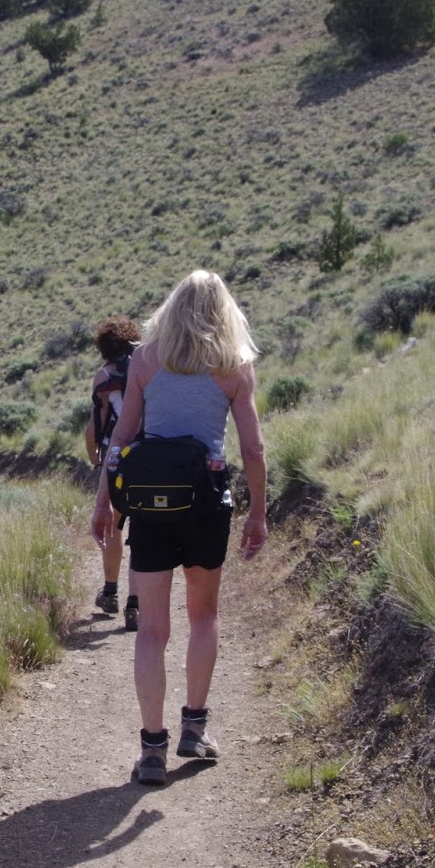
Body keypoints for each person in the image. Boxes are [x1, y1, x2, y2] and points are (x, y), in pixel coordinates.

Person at [89, 270, 267, 786]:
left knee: (151, 630)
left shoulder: (146, 359)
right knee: (204, 615)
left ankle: (151, 751)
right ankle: (194, 729)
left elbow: (121, 437)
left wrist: (105, 502)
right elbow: (253, 449)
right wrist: (257, 513)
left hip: (149, 506)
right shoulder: (234, 366)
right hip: (206, 503)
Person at [84, 315, 142, 631]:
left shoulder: (104, 375)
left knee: (115, 524)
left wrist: (94, 454)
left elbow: (96, 423)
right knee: (142, 528)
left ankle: (110, 592)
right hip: (148, 453)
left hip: (117, 457)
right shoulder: (147, 367)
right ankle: (135, 603)